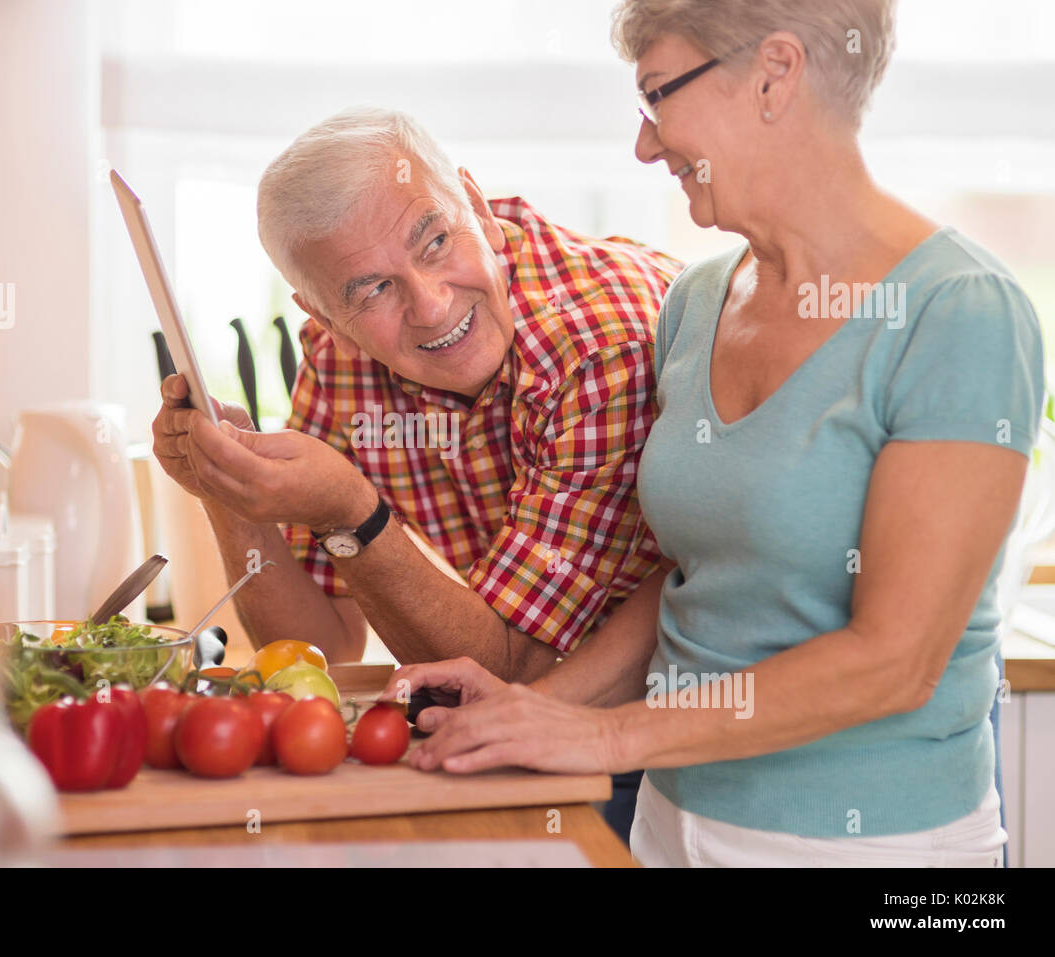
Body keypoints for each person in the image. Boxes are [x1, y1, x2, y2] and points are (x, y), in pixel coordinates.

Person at [390, 0, 1044, 867]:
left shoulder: (958, 312)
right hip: (674, 821)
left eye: (658, 95)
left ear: (774, 73)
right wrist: (542, 706)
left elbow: (895, 662)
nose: (645, 145)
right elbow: (696, 583)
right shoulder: (696, 302)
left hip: (881, 849)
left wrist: (612, 739)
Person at [152, 107, 682, 836]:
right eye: (371, 290)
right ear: (324, 314)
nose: (431, 304)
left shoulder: (599, 350)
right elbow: (318, 644)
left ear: (477, 205)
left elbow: (516, 671)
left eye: (435, 240)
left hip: (666, 730)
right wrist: (231, 491)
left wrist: (352, 513)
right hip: (544, 720)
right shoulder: (341, 359)